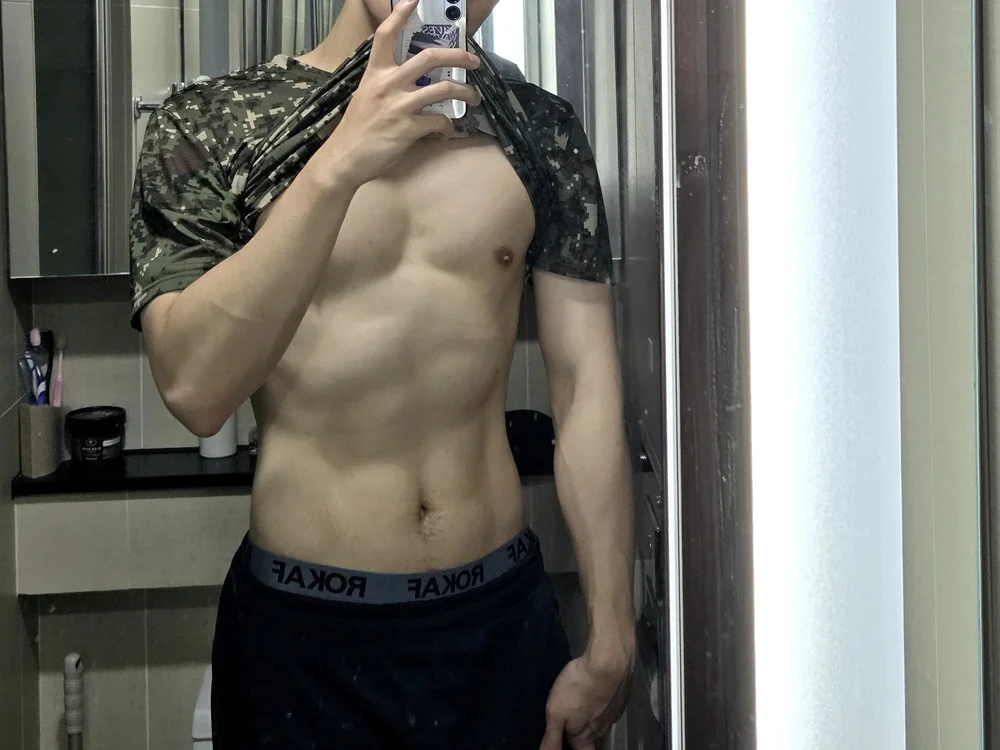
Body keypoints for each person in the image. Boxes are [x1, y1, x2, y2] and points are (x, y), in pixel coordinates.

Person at [129, 0, 634, 747]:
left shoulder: (540, 131)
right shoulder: (213, 122)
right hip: (304, 635)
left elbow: (586, 383)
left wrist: (613, 630)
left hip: (497, 621)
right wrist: (340, 162)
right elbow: (196, 392)